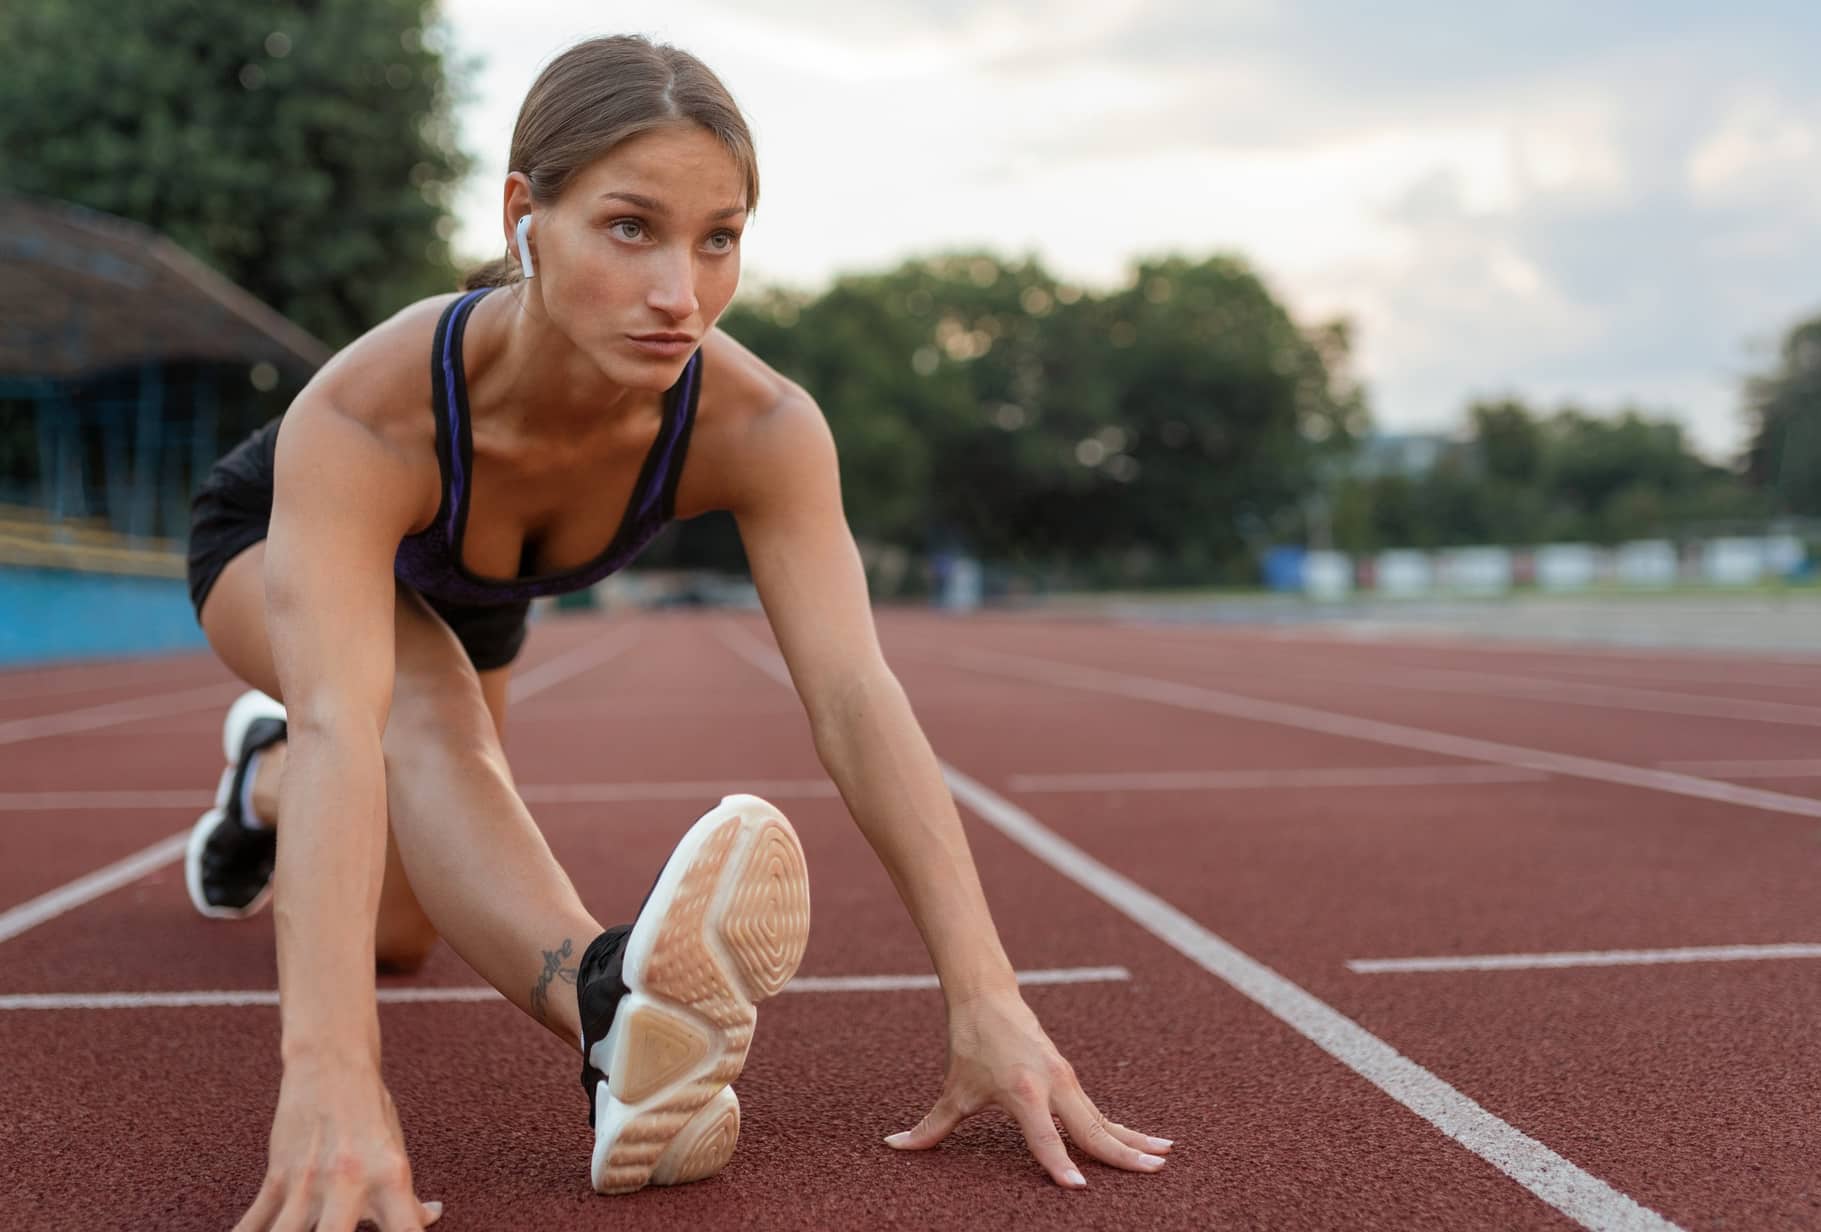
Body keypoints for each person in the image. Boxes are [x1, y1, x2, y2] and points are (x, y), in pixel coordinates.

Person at [181, 34, 1173, 1232]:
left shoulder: (760, 425)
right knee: (412, 705)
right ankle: (611, 1004)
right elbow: (352, 715)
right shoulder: (364, 413)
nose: (681, 294)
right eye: (631, 227)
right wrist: (330, 1076)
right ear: (524, 217)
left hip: (479, 590)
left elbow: (856, 695)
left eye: (721, 237)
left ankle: (262, 779)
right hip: (273, 543)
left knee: (403, 931)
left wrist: (987, 993)